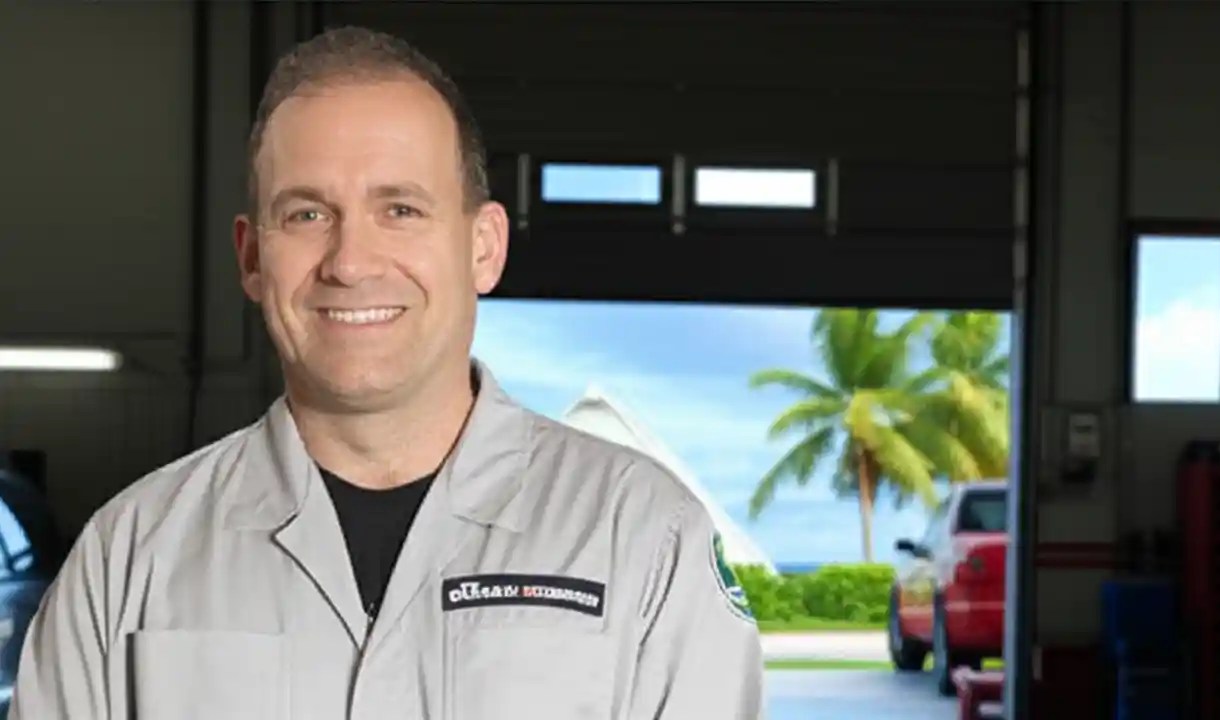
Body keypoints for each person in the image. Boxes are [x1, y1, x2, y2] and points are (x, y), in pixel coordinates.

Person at [10, 25, 764, 720]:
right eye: (307, 214)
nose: (351, 263)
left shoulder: (641, 539)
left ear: (484, 247)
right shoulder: (127, 559)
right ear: (251, 257)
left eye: (400, 209)